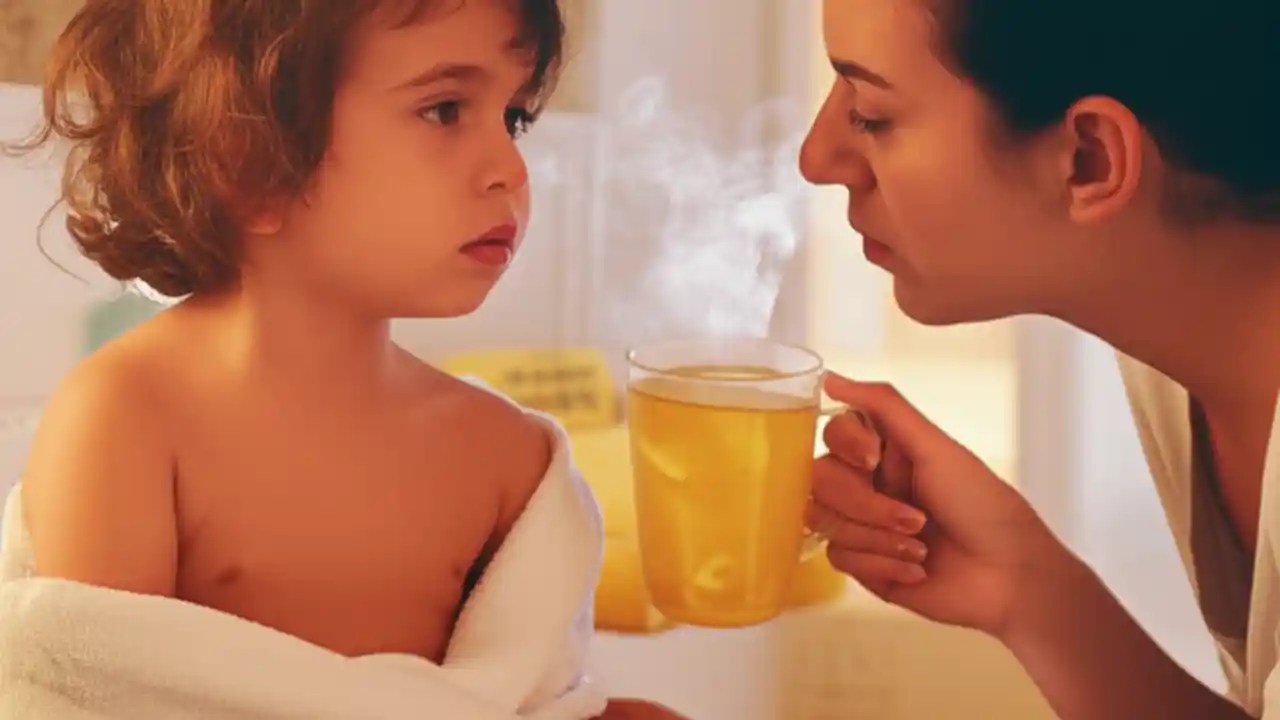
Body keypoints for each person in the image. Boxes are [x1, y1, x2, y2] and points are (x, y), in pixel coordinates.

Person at [0, 0, 690, 716]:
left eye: (513, 117)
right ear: (248, 160)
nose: (509, 169)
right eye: (446, 109)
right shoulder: (132, 417)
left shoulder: (505, 459)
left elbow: (524, 696)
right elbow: (94, 694)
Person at [799, 0, 1280, 718]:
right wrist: (1029, 589)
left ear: (1090, 160)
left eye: (870, 113)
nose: (817, 158)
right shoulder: (1177, 346)